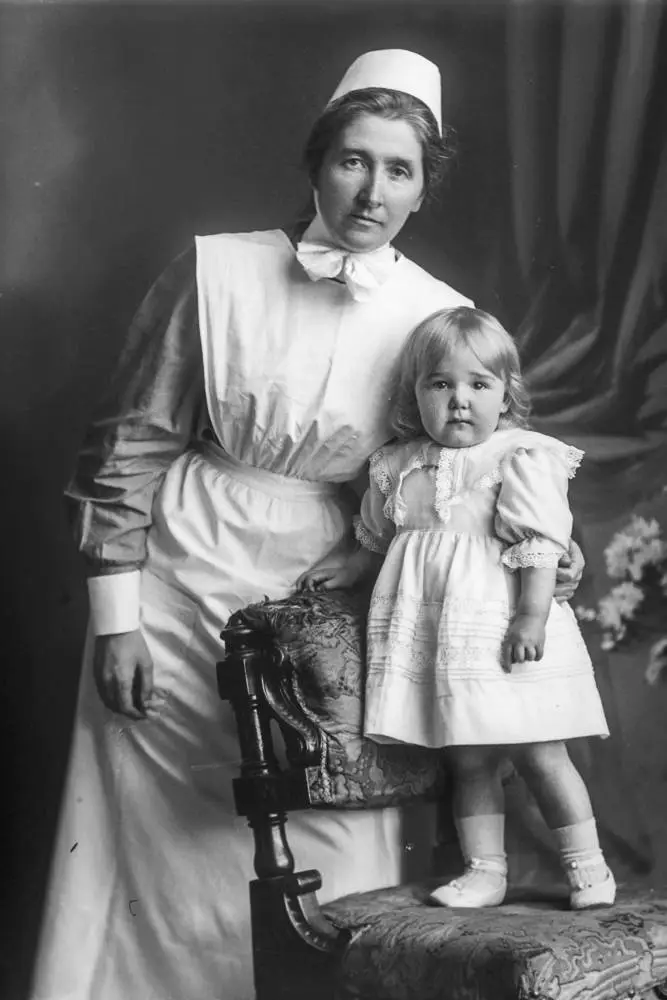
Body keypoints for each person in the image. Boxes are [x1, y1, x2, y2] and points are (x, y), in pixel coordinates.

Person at [32, 52, 584, 1000]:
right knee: (165, 846)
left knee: (332, 843)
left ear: (422, 188)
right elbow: (127, 444)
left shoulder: (439, 315)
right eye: (352, 160)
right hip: (181, 576)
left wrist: (550, 556)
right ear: (316, 162)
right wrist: (117, 618)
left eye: (399, 170)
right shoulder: (216, 271)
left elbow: (473, 470)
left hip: (343, 593)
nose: (372, 192)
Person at [301, 306, 614, 911]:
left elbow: (539, 545)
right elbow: (378, 537)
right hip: (443, 639)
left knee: (540, 751)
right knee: (467, 758)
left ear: (506, 395)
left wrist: (531, 615)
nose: (459, 400)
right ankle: (484, 871)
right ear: (414, 394)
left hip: (503, 630)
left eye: (479, 384)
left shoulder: (517, 456)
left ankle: (588, 866)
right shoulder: (397, 465)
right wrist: (352, 567)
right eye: (440, 384)